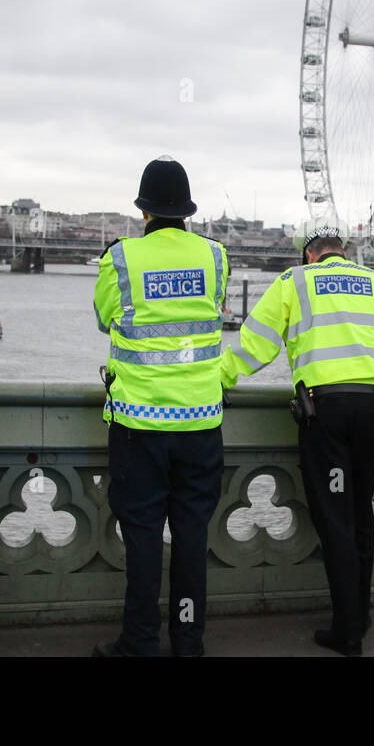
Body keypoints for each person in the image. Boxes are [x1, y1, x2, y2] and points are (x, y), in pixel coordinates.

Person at [219, 219, 374, 655]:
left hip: (327, 412)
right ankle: (361, 612)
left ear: (309, 254)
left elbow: (256, 345)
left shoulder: (293, 282)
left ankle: (348, 630)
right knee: (360, 511)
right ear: (343, 250)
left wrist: (218, 377)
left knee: (334, 517)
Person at [92, 157, 228, 658]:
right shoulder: (216, 257)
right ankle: (189, 641)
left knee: (143, 537)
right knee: (192, 537)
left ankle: (140, 641)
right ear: (187, 210)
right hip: (201, 421)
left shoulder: (121, 259)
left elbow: (105, 318)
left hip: (139, 425)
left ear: (143, 210)